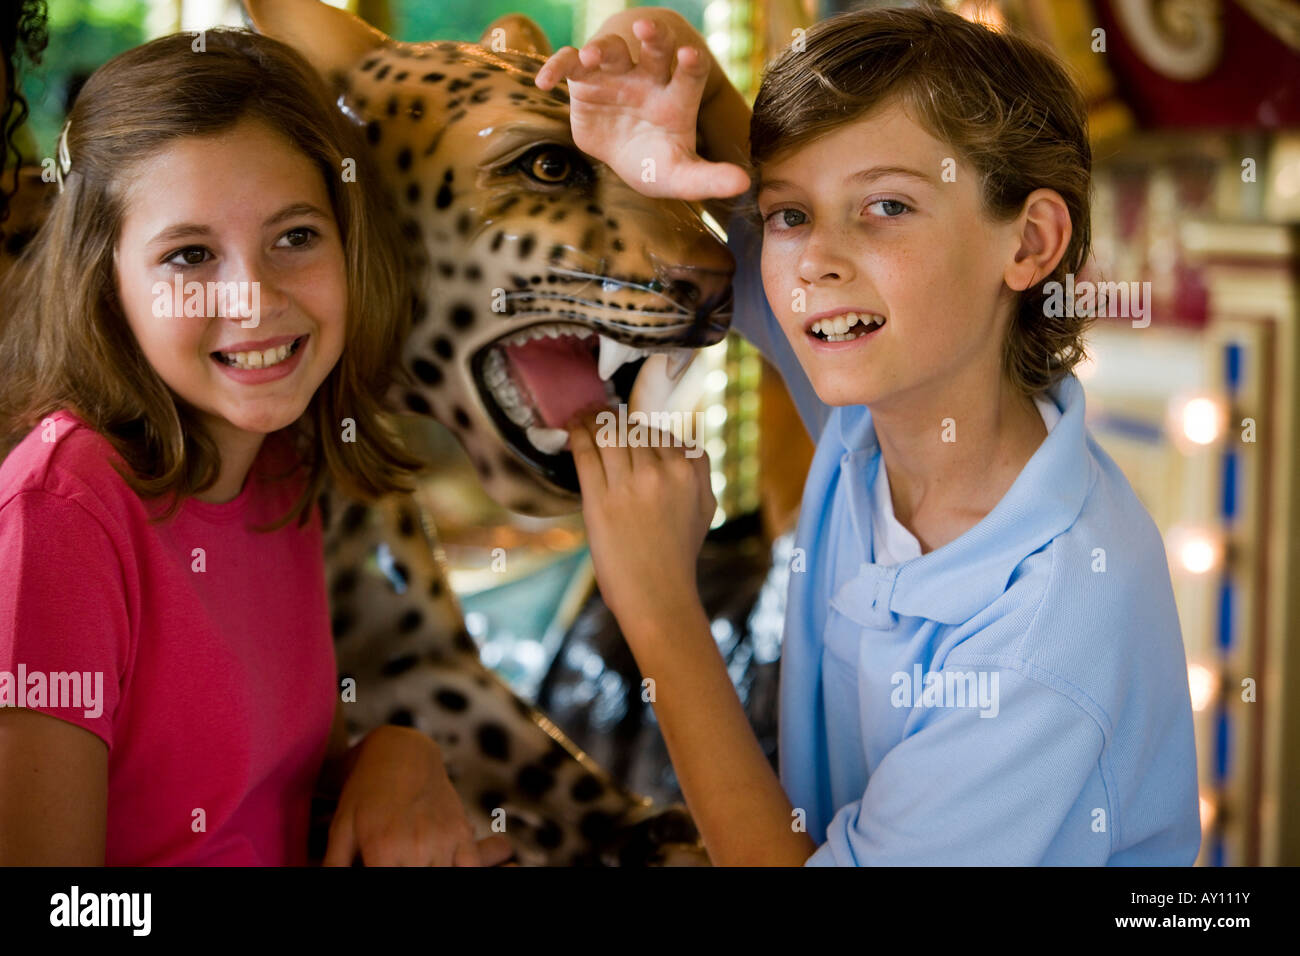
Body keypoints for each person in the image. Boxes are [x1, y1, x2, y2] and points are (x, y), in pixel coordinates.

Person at [538, 5, 1201, 865]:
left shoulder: (1044, 634)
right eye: (792, 217)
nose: (817, 260)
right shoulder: (885, 402)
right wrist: (672, 65)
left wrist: (657, 607)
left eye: (888, 205)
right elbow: (750, 196)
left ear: (1030, 241)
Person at [0, 28, 508, 867]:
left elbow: (258, 815)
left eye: (296, 236)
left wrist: (392, 755)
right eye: (191, 255)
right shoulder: (59, 518)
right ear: (105, 283)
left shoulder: (278, 463)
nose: (255, 299)